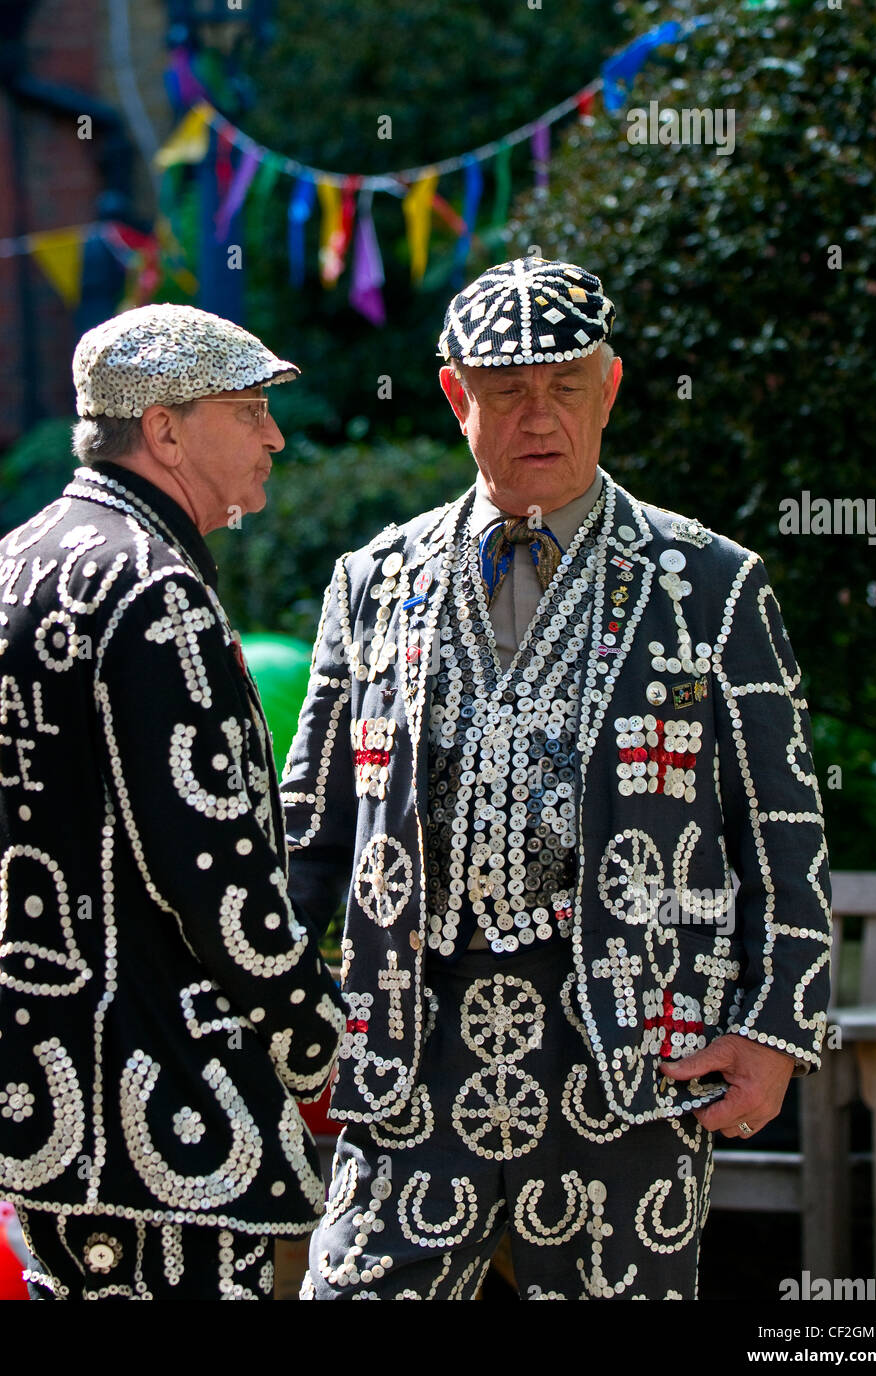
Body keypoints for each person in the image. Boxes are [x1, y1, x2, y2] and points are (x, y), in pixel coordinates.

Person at [280, 257, 831, 1300]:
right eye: (507, 390)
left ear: (609, 387)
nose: (540, 415)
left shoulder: (711, 585)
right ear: (456, 395)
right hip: (411, 1044)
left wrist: (774, 1028)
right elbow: (313, 827)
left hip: (630, 1053)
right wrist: (276, 1007)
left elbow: (784, 827)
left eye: (566, 386)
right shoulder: (373, 582)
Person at [0, 304, 345, 1300]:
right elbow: (215, 878)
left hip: (38, 1095)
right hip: (170, 1114)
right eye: (248, 410)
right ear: (165, 431)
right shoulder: (152, 586)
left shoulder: (8, 565)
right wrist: (321, 1045)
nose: (273, 436)